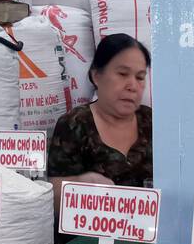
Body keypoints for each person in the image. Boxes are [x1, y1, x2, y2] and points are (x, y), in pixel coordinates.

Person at [47, 34, 151, 204]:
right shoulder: (75, 124)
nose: (132, 86)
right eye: (123, 74)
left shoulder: (153, 122)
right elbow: (53, 200)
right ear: (97, 76)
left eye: (140, 77)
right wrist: (80, 184)